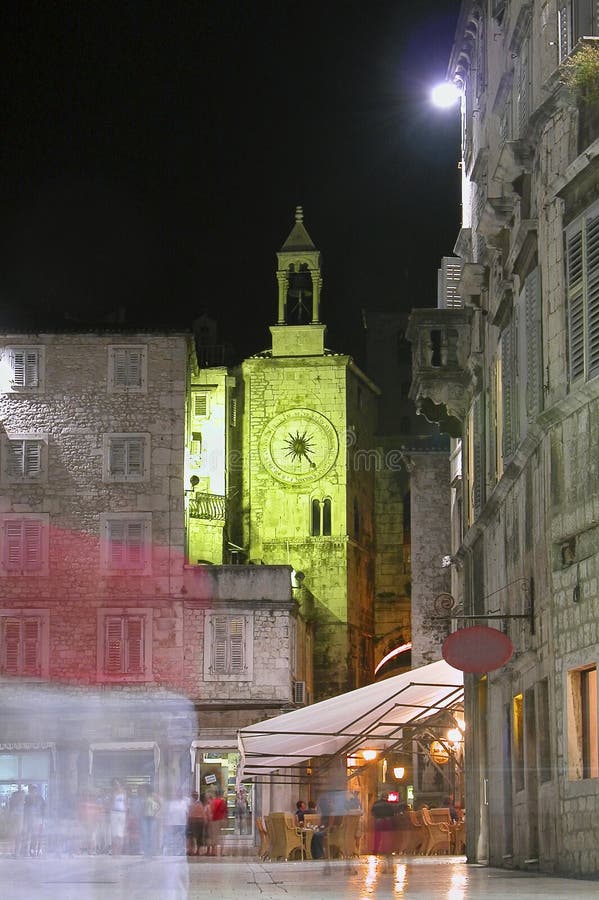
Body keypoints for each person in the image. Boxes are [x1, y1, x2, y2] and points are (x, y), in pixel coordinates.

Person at [370, 792, 397, 868]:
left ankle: (375, 851)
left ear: (381, 797)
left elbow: (372, 812)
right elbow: (392, 813)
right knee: (387, 837)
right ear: (387, 797)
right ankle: (387, 851)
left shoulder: (376, 803)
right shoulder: (389, 804)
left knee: (377, 837)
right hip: (387, 821)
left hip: (379, 820)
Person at [139, 783, 162, 858]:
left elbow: (161, 805)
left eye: (143, 788)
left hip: (152, 818)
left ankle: (151, 852)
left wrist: (157, 813)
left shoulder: (154, 795)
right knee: (145, 835)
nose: (142, 790)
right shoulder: (144, 796)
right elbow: (142, 807)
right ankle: (146, 852)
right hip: (145, 817)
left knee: (151, 835)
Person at [23, 784, 45, 857]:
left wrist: (42, 817)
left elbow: (44, 808)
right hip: (30, 819)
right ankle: (30, 850)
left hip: (38, 819)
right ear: (30, 790)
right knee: (30, 835)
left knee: (38, 835)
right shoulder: (27, 798)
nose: (33, 791)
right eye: (32, 789)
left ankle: (37, 850)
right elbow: (25, 808)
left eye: (34, 789)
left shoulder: (39, 798)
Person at [109, 779, 127, 856]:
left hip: (122, 813)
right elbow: (111, 803)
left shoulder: (124, 792)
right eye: (114, 784)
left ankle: (119, 853)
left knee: (120, 833)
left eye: (117, 783)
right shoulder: (112, 792)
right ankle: (114, 852)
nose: (116, 785)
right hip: (114, 812)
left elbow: (125, 803)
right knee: (114, 833)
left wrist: (126, 812)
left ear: (119, 783)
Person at [207, 789, 227, 857]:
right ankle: (221, 852)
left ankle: (214, 851)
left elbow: (211, 810)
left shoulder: (213, 801)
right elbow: (224, 811)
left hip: (214, 820)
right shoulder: (222, 801)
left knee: (214, 836)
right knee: (221, 837)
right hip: (221, 819)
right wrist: (225, 819)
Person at [186, 791, 206, 856]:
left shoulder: (199, 803)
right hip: (191, 821)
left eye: (197, 795)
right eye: (194, 795)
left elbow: (202, 813)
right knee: (191, 837)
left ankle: (198, 851)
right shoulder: (190, 803)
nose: (196, 796)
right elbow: (188, 813)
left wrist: (204, 820)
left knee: (198, 837)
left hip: (199, 822)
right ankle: (190, 850)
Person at [9, 787, 26, 857]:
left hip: (21, 826)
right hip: (17, 826)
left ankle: (18, 852)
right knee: (16, 837)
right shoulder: (16, 808)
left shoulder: (24, 806)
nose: (22, 798)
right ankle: (16, 852)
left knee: (19, 837)